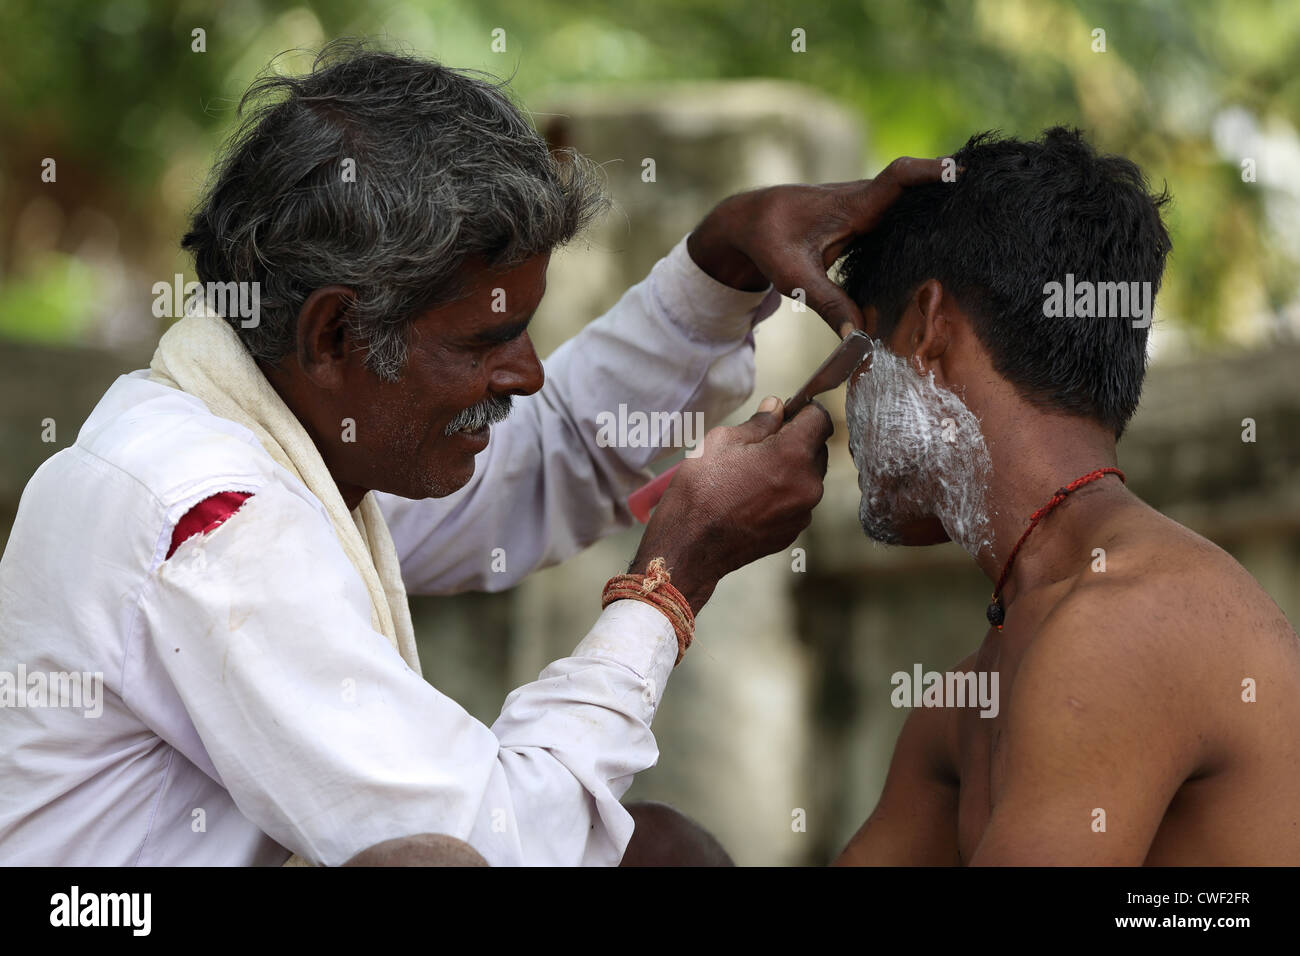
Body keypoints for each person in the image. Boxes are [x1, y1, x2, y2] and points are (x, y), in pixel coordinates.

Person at [0, 39, 939, 866]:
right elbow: (491, 849)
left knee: (655, 849)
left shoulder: (291, 423)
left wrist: (722, 264)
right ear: (333, 335)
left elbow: (549, 452)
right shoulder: (212, 521)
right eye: (487, 341)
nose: (525, 375)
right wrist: (670, 580)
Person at [833, 127, 1300, 865]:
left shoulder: (1126, 621)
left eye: (859, 352)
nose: (844, 406)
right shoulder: (971, 693)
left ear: (926, 328)